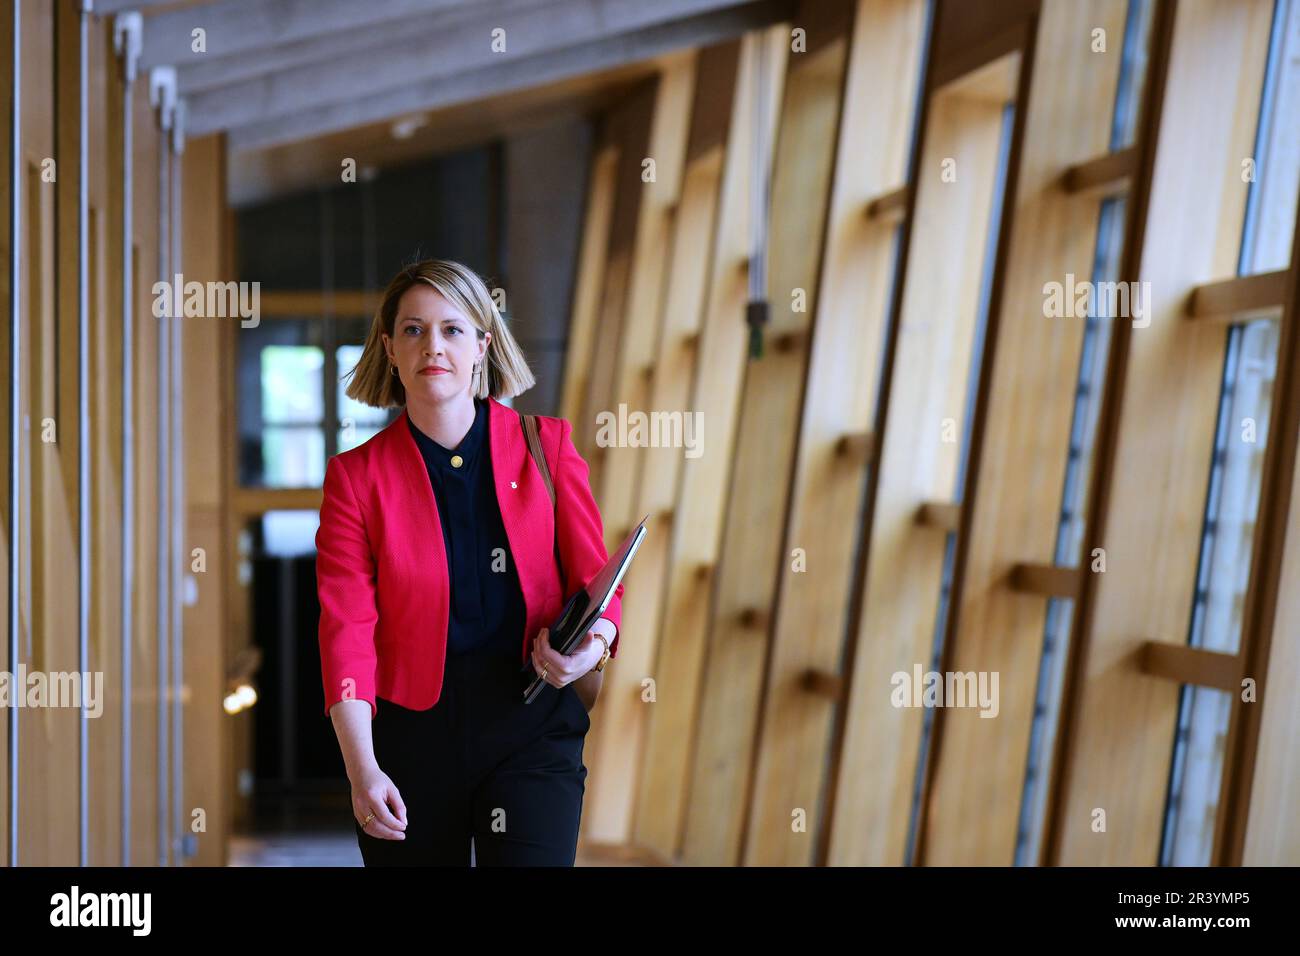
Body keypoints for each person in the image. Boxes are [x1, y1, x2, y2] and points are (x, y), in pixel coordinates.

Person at [315, 258, 623, 866]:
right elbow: (346, 632)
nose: (433, 346)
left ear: (482, 345)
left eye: (452, 329)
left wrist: (592, 648)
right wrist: (362, 768)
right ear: (390, 348)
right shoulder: (356, 478)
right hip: (409, 741)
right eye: (413, 330)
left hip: (533, 728)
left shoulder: (547, 446)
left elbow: (598, 585)